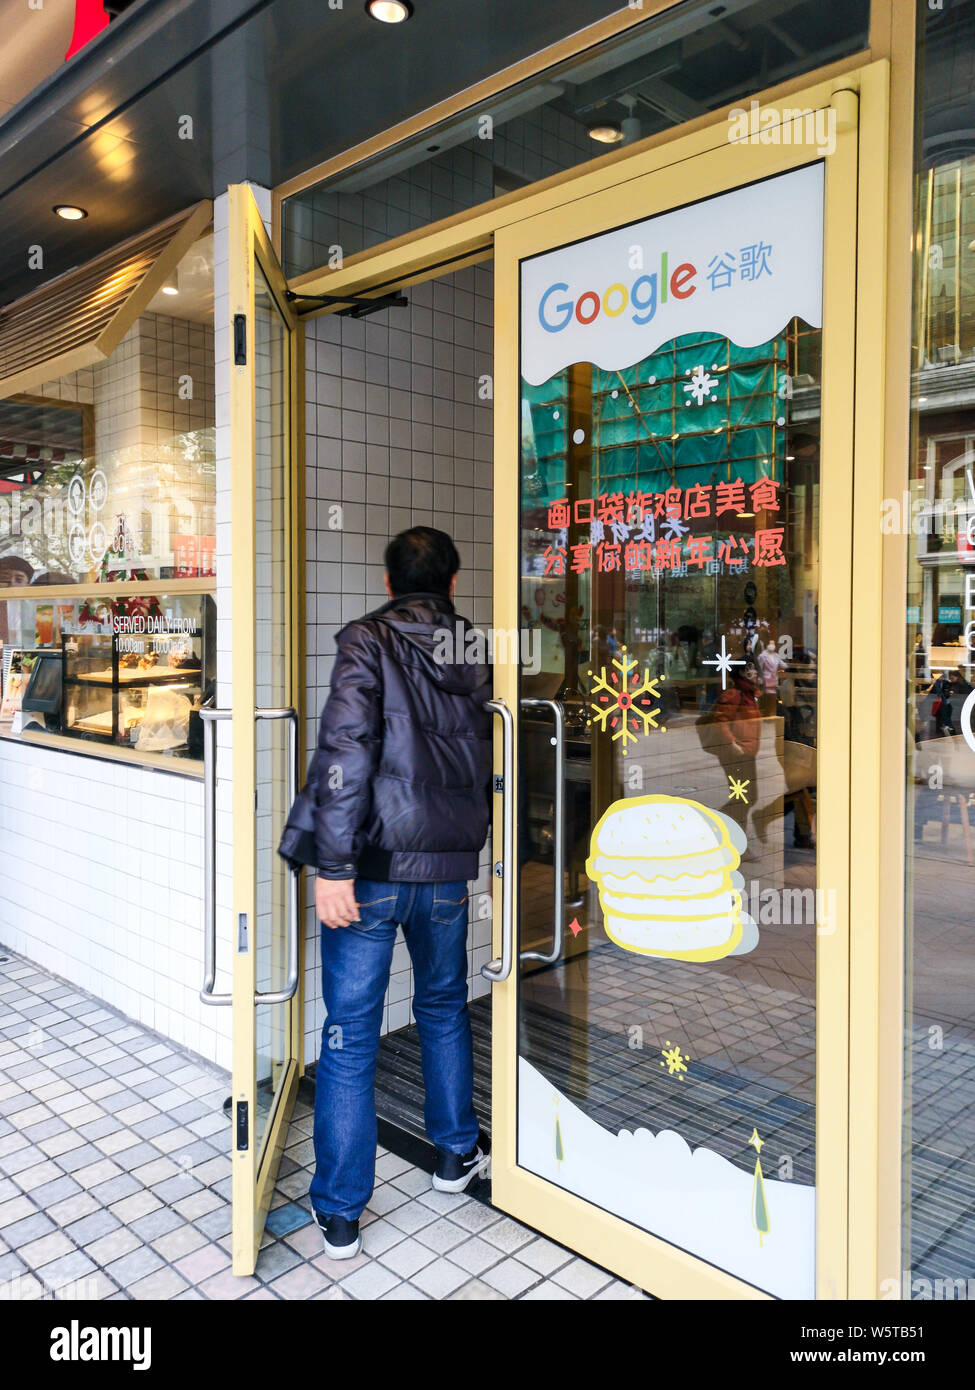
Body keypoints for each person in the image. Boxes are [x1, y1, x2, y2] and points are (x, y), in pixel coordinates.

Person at [310, 526, 493, 1259]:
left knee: (350, 1034)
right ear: (450, 584)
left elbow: (345, 753)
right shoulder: (471, 648)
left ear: (390, 584)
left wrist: (332, 865)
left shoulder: (365, 640)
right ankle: (453, 1155)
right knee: (444, 1005)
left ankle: (342, 1211)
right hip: (446, 866)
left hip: (375, 867)